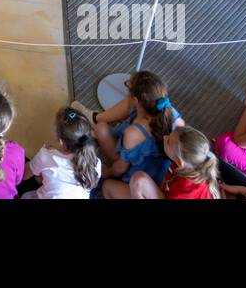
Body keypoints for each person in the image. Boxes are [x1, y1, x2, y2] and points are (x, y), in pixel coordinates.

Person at [73, 70, 184, 198]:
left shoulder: (134, 133)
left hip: (138, 179)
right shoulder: (171, 113)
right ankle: (94, 117)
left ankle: (94, 124)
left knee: (107, 185)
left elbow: (120, 168)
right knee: (102, 127)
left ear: (137, 101)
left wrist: (104, 172)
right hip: (158, 176)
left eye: (128, 86)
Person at [19, 106, 101, 199]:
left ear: (61, 141)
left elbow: (24, 175)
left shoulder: (47, 156)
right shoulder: (96, 162)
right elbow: (92, 184)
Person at [129, 127, 220, 199]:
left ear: (180, 162)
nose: (165, 137)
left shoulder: (184, 192)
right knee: (116, 189)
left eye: (168, 141)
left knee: (138, 180)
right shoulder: (190, 165)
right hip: (168, 192)